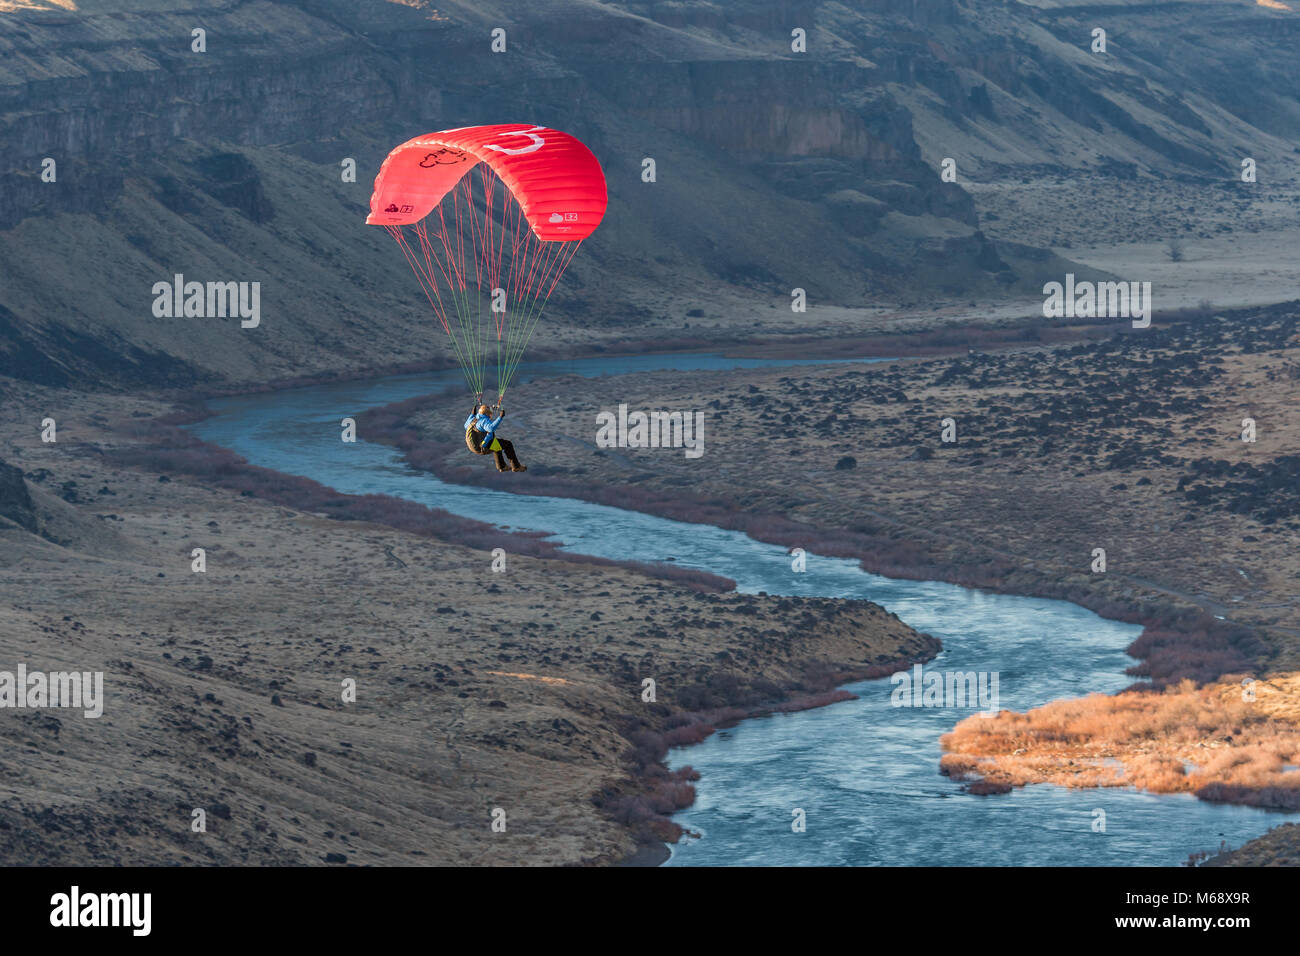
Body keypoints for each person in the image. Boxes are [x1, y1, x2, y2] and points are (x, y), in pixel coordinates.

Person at [463, 401, 526, 472]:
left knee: (496, 443)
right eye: (490, 414)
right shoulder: (484, 421)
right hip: (482, 448)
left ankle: (502, 467)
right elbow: (491, 428)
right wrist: (500, 417)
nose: (491, 416)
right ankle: (516, 466)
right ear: (487, 414)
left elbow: (465, 425)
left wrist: (473, 411)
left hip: (473, 447)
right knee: (508, 444)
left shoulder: (473, 419)